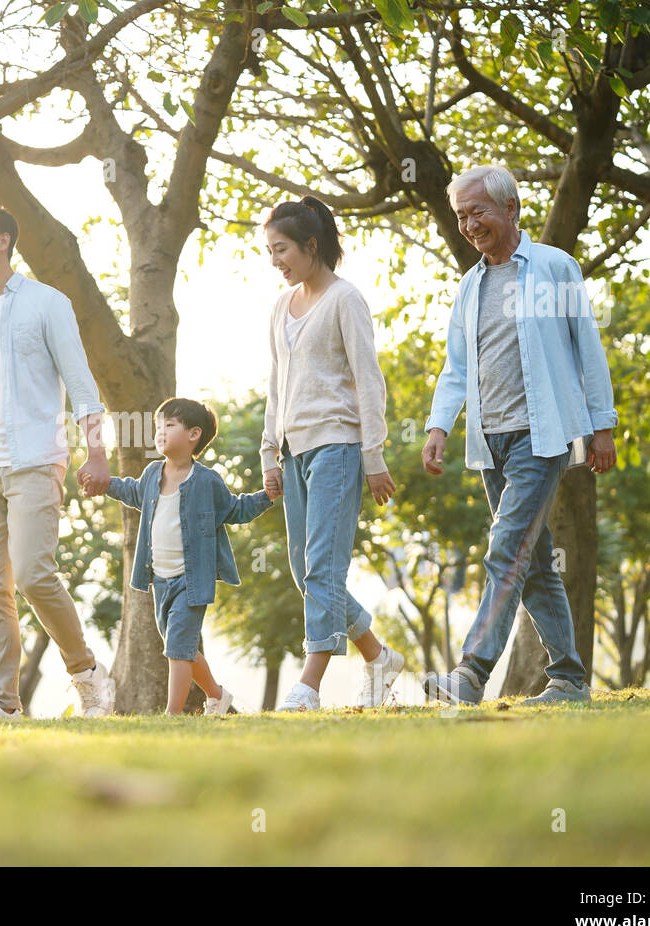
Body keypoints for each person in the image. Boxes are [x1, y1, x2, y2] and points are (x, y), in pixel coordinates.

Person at [421, 165, 617, 706]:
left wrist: (603, 426)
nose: (469, 224)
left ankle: (469, 675)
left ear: (511, 209)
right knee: (532, 562)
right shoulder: (470, 285)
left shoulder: (556, 268)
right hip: (490, 442)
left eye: (477, 212)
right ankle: (571, 680)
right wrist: (440, 425)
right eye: (461, 215)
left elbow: (587, 349)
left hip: (542, 436)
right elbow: (456, 366)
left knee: (505, 550)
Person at [0, 199, 116, 723]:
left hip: (34, 460)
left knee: (35, 575)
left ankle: (86, 674)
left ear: (2, 241)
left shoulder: (46, 303)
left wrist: (97, 448)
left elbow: (81, 382)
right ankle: (3, 702)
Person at [260, 196, 405, 711]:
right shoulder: (282, 306)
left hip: (339, 448)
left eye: (281, 250)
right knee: (305, 572)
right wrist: (268, 453)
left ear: (311, 245)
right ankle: (378, 655)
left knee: (323, 569)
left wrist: (374, 456)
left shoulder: (346, 300)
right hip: (294, 449)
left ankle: (309, 684)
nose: (275, 260)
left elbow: (370, 380)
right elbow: (277, 384)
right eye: (270, 251)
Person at [93, 397, 277, 715]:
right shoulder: (152, 474)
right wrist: (104, 483)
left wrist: (267, 496)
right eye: (158, 426)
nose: (160, 432)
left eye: (169, 425)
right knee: (183, 648)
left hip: (192, 581)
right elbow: (131, 491)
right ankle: (218, 697)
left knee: (177, 646)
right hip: (159, 580)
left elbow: (236, 509)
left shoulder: (206, 481)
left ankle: (172, 714)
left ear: (193, 435)